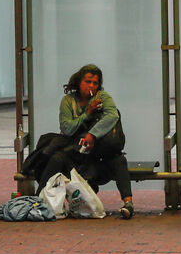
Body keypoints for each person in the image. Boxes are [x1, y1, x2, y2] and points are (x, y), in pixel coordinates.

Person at [21, 63, 136, 218]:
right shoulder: (68, 101)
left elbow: (112, 115)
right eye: (87, 82)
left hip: (99, 155)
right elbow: (67, 129)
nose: (91, 86)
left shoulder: (102, 97)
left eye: (95, 83)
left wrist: (93, 135)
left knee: (119, 160)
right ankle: (36, 200)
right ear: (79, 82)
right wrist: (87, 114)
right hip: (76, 155)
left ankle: (128, 203)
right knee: (57, 158)